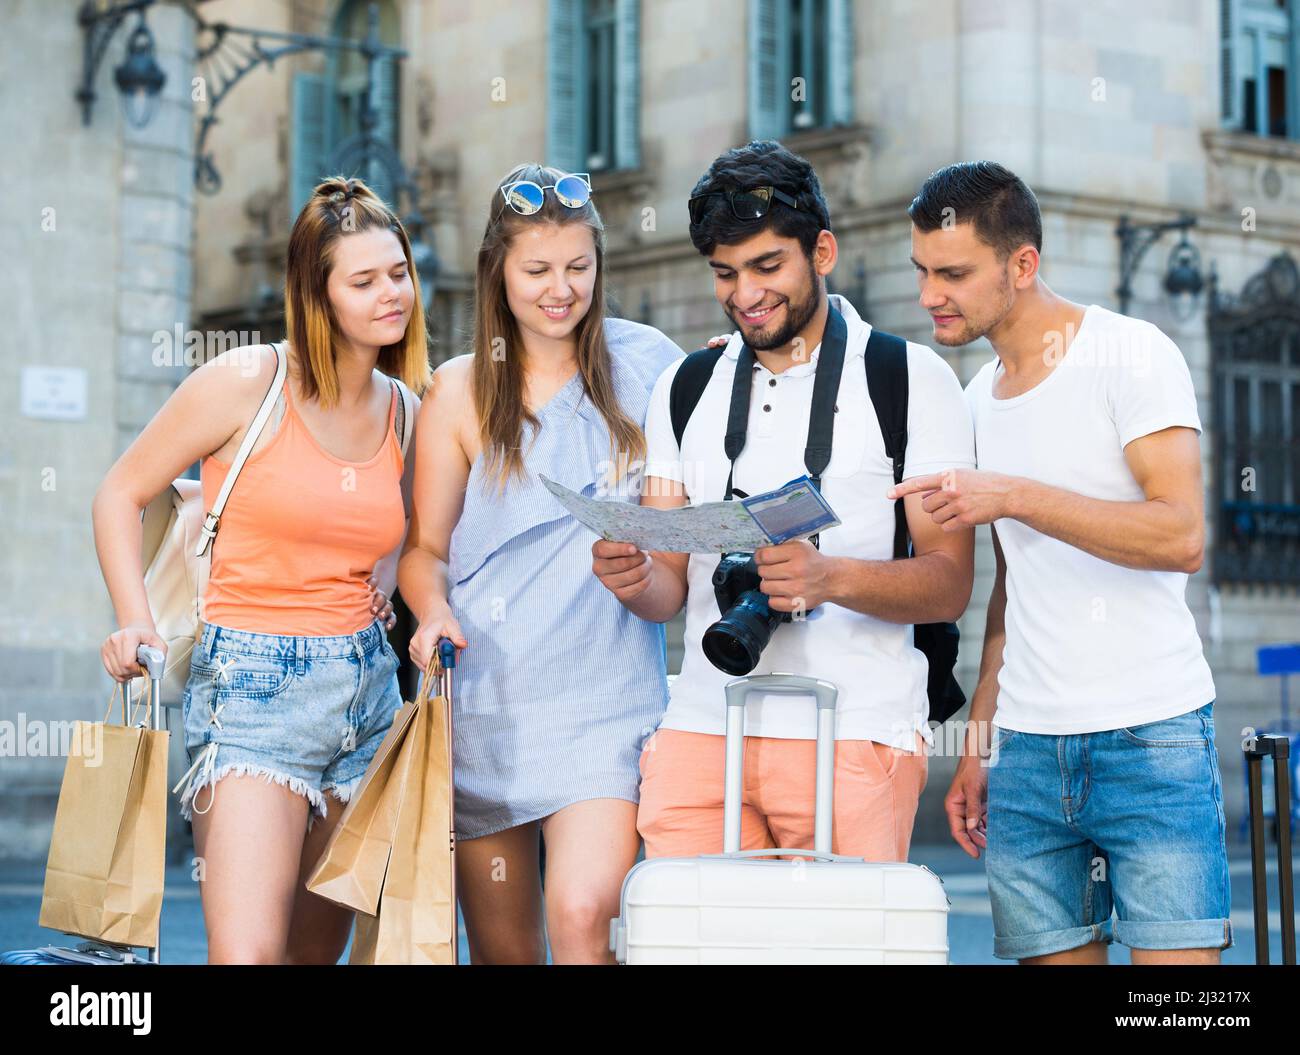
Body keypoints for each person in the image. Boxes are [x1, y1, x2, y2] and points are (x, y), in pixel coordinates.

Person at [592, 140, 975, 861]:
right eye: (726, 274)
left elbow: (950, 584)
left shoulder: (911, 378)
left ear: (821, 251)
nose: (746, 294)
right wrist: (633, 574)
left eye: (768, 267)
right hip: (703, 724)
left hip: (855, 731)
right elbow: (669, 586)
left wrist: (832, 579)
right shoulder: (685, 385)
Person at [899, 161, 1230, 964]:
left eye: (953, 273)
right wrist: (979, 738)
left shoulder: (1130, 353)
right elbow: (1016, 583)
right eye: (922, 272)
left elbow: (1181, 535)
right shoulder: (976, 397)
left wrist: (1014, 494)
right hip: (1029, 755)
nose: (930, 294)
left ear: (1021, 264)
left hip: (1151, 736)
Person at [93, 176, 430, 964]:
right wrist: (133, 618)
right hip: (251, 691)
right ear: (319, 295)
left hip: (368, 698)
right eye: (365, 279)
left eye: (398, 272)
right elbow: (120, 491)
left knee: (314, 957)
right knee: (248, 956)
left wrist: (381, 576)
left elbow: (399, 529)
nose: (392, 293)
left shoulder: (405, 409)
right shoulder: (250, 381)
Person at [397, 164, 682, 964]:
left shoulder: (651, 364)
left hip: (606, 703)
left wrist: (645, 577)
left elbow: (671, 583)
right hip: (488, 702)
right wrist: (434, 611)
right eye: (538, 271)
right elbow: (423, 553)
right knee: (504, 954)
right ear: (499, 272)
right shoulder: (455, 391)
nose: (562, 289)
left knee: (585, 910)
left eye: (579, 267)